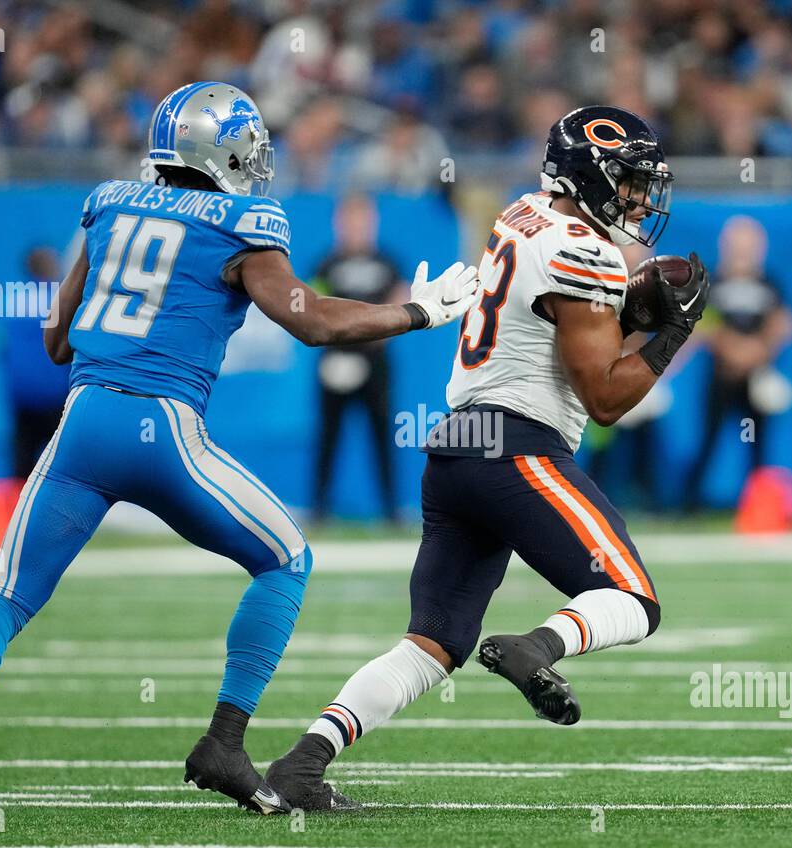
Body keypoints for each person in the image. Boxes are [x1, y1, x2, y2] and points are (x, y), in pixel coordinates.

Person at [0, 82, 480, 820]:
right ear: (217, 151)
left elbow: (57, 341)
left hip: (83, 422)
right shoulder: (241, 220)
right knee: (285, 559)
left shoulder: (112, 203)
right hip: (164, 430)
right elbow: (312, 322)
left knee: (6, 599)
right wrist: (420, 311)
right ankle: (224, 741)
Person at [265, 106, 710, 810]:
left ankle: (301, 765)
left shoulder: (525, 213)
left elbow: (553, 328)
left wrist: (626, 313)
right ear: (589, 175)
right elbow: (603, 396)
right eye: (627, 181)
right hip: (515, 446)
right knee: (633, 598)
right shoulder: (584, 250)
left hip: (458, 450)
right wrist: (673, 331)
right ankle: (536, 647)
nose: (637, 198)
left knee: (432, 643)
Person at [683, 215, 792, 511]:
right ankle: (689, 503)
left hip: (756, 378)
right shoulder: (712, 283)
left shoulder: (770, 283)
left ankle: (758, 504)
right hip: (721, 376)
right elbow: (703, 324)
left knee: (758, 446)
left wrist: (759, 350)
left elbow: (782, 324)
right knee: (708, 440)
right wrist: (733, 349)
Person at [311, 194, 403, 522]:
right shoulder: (327, 264)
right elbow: (314, 306)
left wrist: (370, 342)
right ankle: (319, 509)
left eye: (362, 221)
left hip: (375, 362)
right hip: (335, 359)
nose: (356, 228)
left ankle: (391, 511)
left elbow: (401, 304)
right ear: (339, 224)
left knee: (381, 436)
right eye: (350, 221)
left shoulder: (387, 263)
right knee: (328, 437)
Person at [4, 247, 70, 478]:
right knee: (62, 466)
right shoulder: (62, 298)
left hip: (22, 398)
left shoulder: (15, 299)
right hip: (56, 397)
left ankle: (20, 512)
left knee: (22, 465)